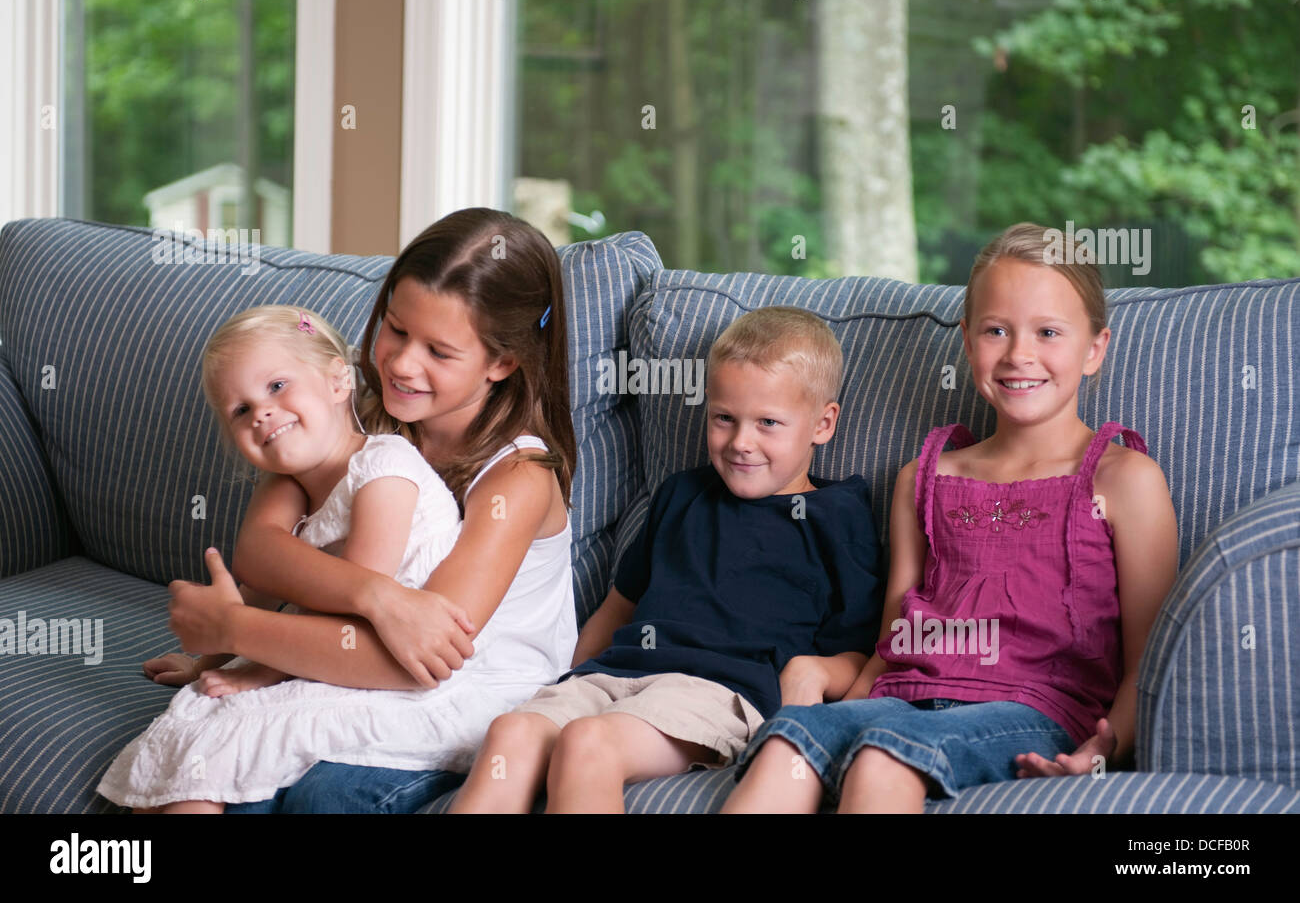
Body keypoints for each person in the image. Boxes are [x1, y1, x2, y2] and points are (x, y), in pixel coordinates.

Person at [723, 222, 1179, 813]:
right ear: (967, 341)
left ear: (1094, 348)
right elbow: (895, 633)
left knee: (881, 754)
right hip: (905, 694)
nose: (1019, 354)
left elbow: (1151, 659)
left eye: (1048, 332)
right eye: (996, 330)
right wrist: (840, 717)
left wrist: (1101, 750)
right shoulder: (925, 477)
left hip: (1032, 710)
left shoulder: (1123, 480)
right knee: (784, 745)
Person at [164, 208, 578, 813]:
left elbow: (413, 660)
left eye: (439, 350)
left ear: (502, 362)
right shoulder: (351, 410)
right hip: (353, 662)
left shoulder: (517, 478)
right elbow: (260, 549)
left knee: (322, 798)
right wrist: (377, 596)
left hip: (470, 692)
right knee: (209, 760)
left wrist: (235, 630)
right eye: (396, 329)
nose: (403, 364)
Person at [449, 306, 884, 813]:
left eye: (768, 423)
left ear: (823, 424)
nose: (741, 443)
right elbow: (616, 609)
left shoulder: (837, 516)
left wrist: (813, 675)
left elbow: (860, 650)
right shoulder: (681, 494)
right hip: (616, 676)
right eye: (724, 418)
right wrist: (575, 676)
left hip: (719, 693)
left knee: (588, 743)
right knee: (511, 733)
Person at [97, 305, 472, 811]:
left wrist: (259, 672)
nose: (262, 413)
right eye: (240, 410)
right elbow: (256, 596)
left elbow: (354, 597)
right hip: (313, 654)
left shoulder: (385, 468)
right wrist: (204, 661)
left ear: (339, 381)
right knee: (188, 735)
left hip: (380, 671)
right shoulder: (290, 488)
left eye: (276, 386)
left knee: (217, 735)